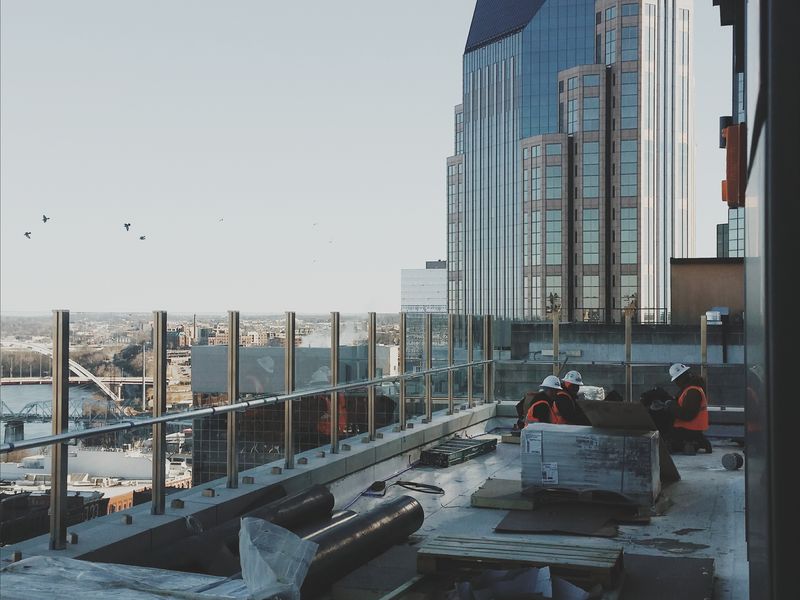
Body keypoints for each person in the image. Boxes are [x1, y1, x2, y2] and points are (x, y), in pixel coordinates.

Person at [663, 363, 712, 454]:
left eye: (677, 380)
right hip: (694, 428)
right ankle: (695, 442)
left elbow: (687, 415)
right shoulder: (691, 388)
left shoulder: (692, 391)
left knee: (663, 440)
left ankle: (691, 444)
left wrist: (671, 405)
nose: (676, 383)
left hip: (687, 428)